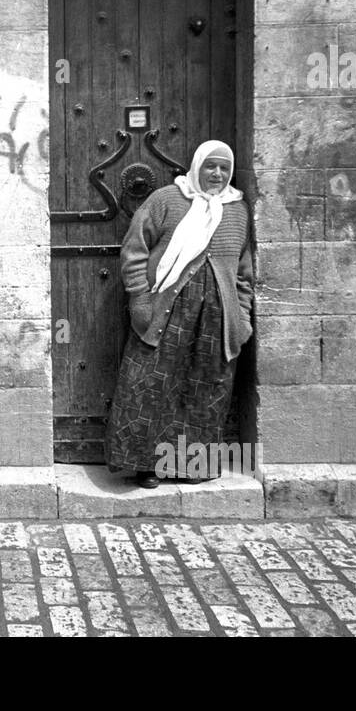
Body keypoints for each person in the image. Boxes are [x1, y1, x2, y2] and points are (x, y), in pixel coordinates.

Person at [105, 140, 255, 489]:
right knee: (149, 388)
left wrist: (243, 319)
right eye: (210, 166)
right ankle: (147, 466)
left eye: (223, 168)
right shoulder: (166, 200)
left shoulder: (238, 210)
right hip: (165, 312)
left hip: (217, 320)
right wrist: (140, 301)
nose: (216, 174)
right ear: (197, 166)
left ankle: (191, 467)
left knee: (205, 391)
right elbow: (134, 251)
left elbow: (245, 274)